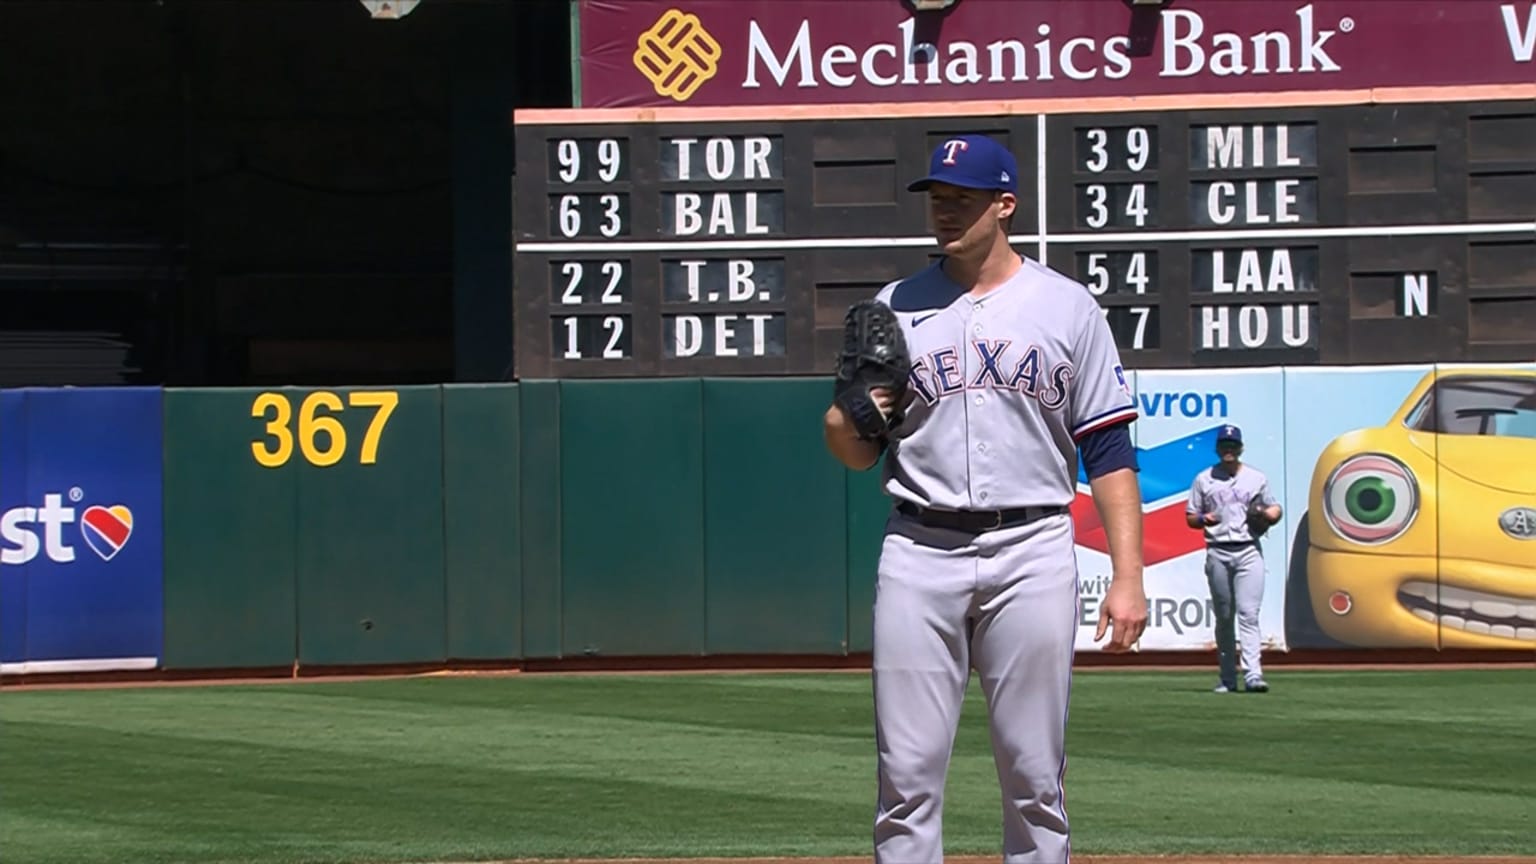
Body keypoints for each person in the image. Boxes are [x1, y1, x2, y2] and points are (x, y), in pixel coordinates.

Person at [821, 133, 1149, 864]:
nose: (945, 212)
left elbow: (1108, 448)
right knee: (905, 777)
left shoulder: (1066, 307)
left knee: (1034, 773)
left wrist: (1128, 576)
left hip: (1032, 548)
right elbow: (855, 451)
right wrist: (842, 421)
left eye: (962, 200)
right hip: (919, 546)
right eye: (938, 198)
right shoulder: (895, 306)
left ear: (1005, 205)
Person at [1185, 424, 1280, 694]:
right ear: (1217, 449)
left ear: (1241, 448)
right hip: (1218, 549)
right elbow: (1191, 517)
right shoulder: (1204, 479)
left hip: (1249, 548)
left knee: (1249, 614)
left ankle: (1253, 675)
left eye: (1233, 446)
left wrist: (1272, 513)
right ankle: (1227, 678)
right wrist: (1204, 518)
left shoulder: (1256, 478)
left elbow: (1274, 507)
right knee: (1225, 617)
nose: (1229, 450)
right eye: (1224, 446)